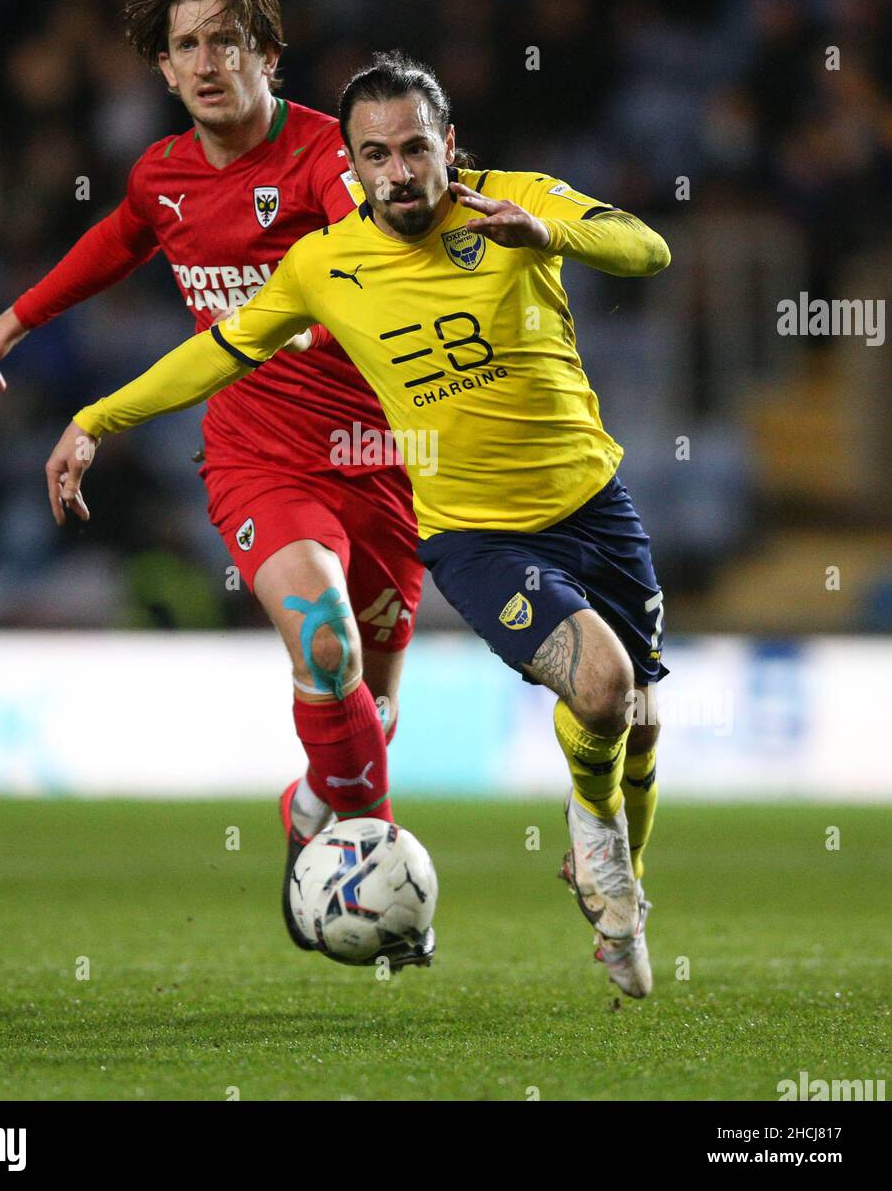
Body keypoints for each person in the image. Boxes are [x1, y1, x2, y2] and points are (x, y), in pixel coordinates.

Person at [45, 52, 671, 998]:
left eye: (416, 148)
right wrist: (97, 419)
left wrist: (550, 232)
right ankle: (600, 856)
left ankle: (609, 861)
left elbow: (646, 249)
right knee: (602, 685)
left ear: (448, 145)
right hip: (472, 533)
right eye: (374, 155)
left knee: (642, 724)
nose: (398, 173)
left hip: (593, 505)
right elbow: (216, 354)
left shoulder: (514, 200)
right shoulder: (325, 264)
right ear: (351, 163)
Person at [0, 0, 429, 967]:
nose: (207, 63)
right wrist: (13, 325)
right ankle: (374, 878)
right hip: (260, 458)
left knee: (369, 713)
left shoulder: (329, 160)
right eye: (185, 46)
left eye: (225, 41)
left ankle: (315, 809)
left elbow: (370, 261)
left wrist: (315, 314)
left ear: (269, 54)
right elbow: (121, 237)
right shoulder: (161, 176)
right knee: (325, 650)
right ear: (163, 71)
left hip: (380, 457)